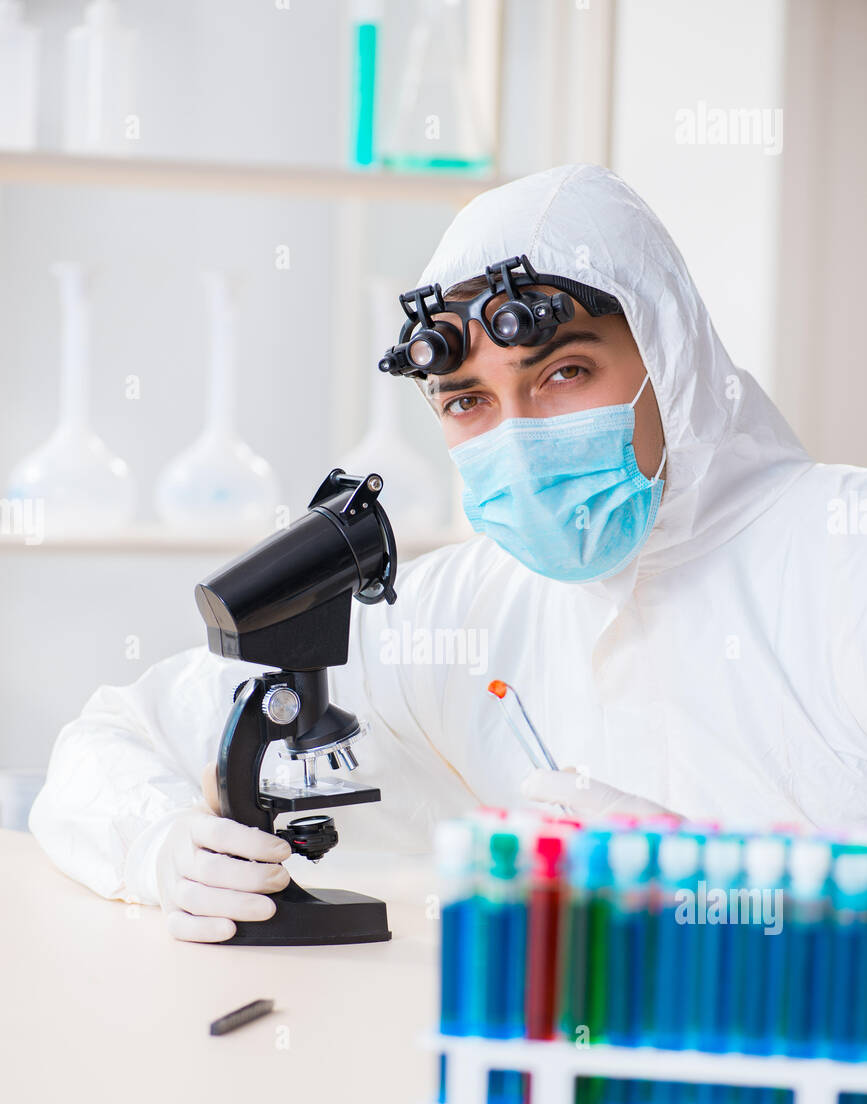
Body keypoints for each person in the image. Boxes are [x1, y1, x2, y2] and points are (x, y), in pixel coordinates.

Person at [29, 164, 867, 945]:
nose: (519, 435)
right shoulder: (465, 610)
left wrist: (732, 893)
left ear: (669, 354)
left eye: (565, 373)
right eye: (468, 400)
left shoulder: (838, 556)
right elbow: (112, 738)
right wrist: (156, 842)